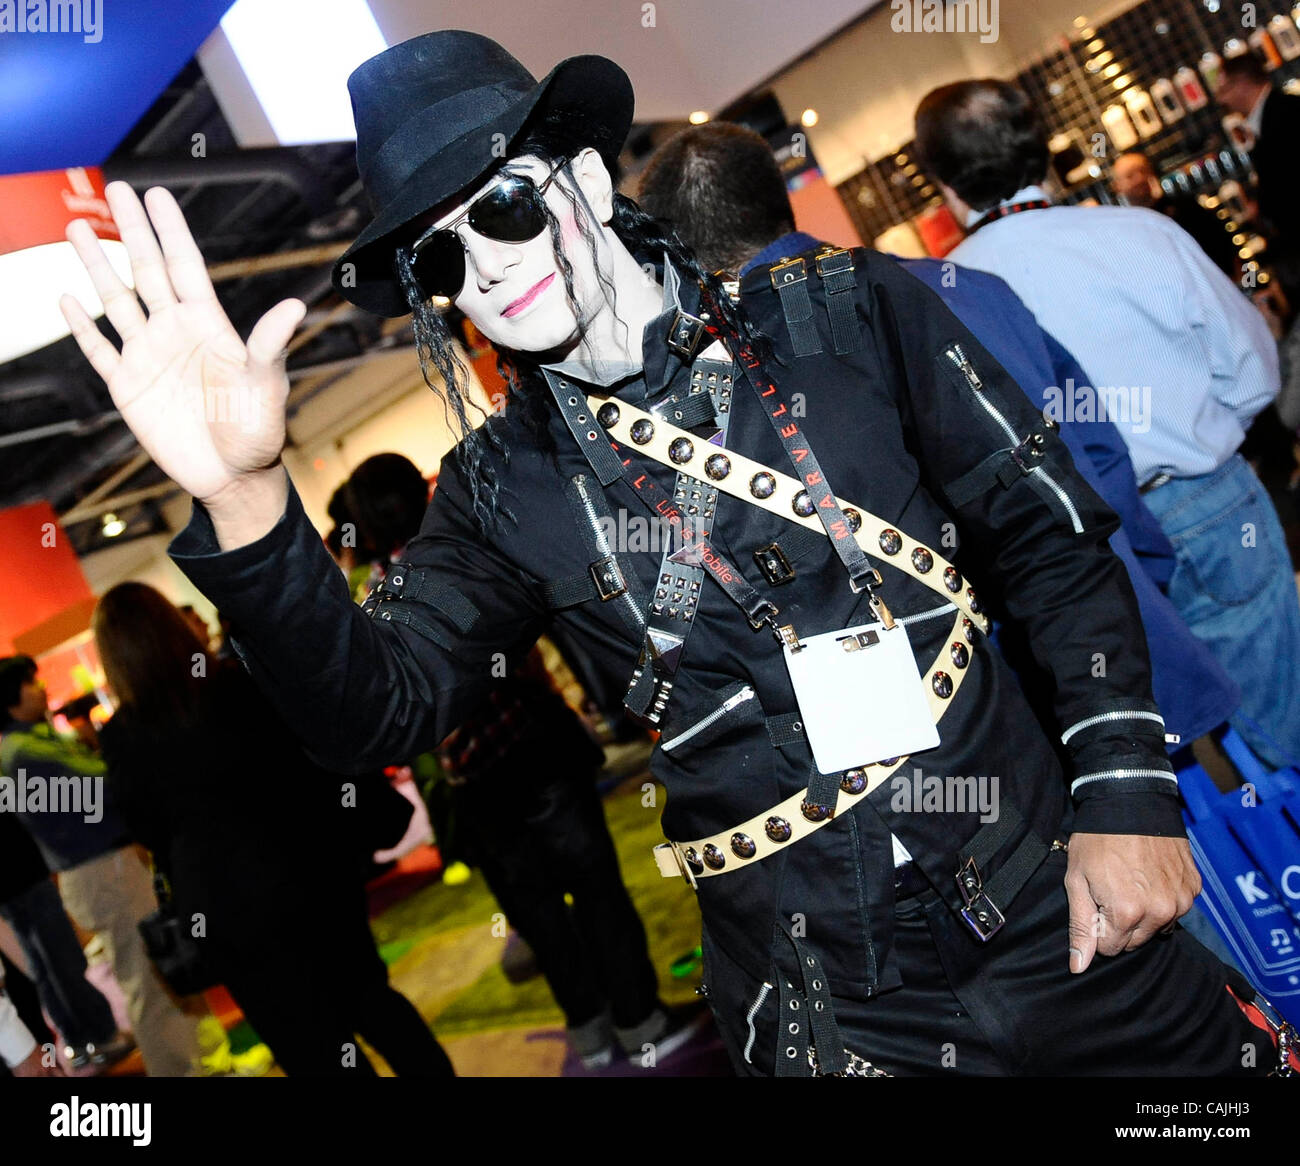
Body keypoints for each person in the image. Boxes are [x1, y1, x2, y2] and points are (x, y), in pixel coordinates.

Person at [59, 29, 1287, 1076]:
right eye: (441, 256)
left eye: (504, 205)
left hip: (1057, 910)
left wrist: (1126, 792)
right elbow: (371, 707)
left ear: (585, 176)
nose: (485, 264)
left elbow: (1053, 538)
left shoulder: (851, 312)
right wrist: (246, 496)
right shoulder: (497, 491)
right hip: (827, 1013)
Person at [637, 121, 1240, 752]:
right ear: (778, 201)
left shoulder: (720, 394)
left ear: (673, 251)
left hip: (980, 729)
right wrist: (1139, 583)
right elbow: (1096, 452)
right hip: (1109, 654)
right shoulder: (959, 284)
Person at [916, 78, 1300, 773]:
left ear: (943, 187)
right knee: (1286, 721)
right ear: (1045, 153)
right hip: (1204, 502)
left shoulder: (942, 296)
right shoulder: (1139, 232)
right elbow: (1255, 371)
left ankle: (1238, 866)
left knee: (1156, 760)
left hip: (1073, 549)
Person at [344, 452, 697, 1069]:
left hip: (472, 778)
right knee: (595, 892)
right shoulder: (465, 559)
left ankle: (590, 1033)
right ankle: (640, 1021)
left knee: (539, 917)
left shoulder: (376, 598)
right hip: (530, 747)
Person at [93, 582, 455, 1078]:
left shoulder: (122, 738)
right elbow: (305, 766)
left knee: (309, 1047)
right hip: (310, 875)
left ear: (115, 660)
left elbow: (146, 828)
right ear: (175, 628)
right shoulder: (241, 685)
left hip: (228, 914)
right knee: (372, 1003)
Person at [0, 655, 216, 1076]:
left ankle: (202, 1062)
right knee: (150, 979)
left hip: (99, 869)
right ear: (10, 699)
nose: (41, 689)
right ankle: (186, 1069)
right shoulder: (24, 750)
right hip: (100, 869)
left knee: (154, 975)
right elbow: (100, 788)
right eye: (30, 683)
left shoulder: (28, 742)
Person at [0, 800, 134, 1074]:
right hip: (26, 874)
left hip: (14, 883)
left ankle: (80, 1042)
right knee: (62, 959)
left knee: (43, 968)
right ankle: (102, 1036)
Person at [1216, 51, 1300, 301]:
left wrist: (1263, 206)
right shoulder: (1274, 116)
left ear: (1242, 83)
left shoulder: (1286, 115)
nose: (1222, 100)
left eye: (1224, 90)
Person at [1109, 150, 1239, 278]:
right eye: (1130, 176)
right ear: (1117, 186)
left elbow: (1221, 242)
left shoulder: (1184, 206)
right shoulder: (1126, 231)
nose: (1140, 179)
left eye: (1143, 170)